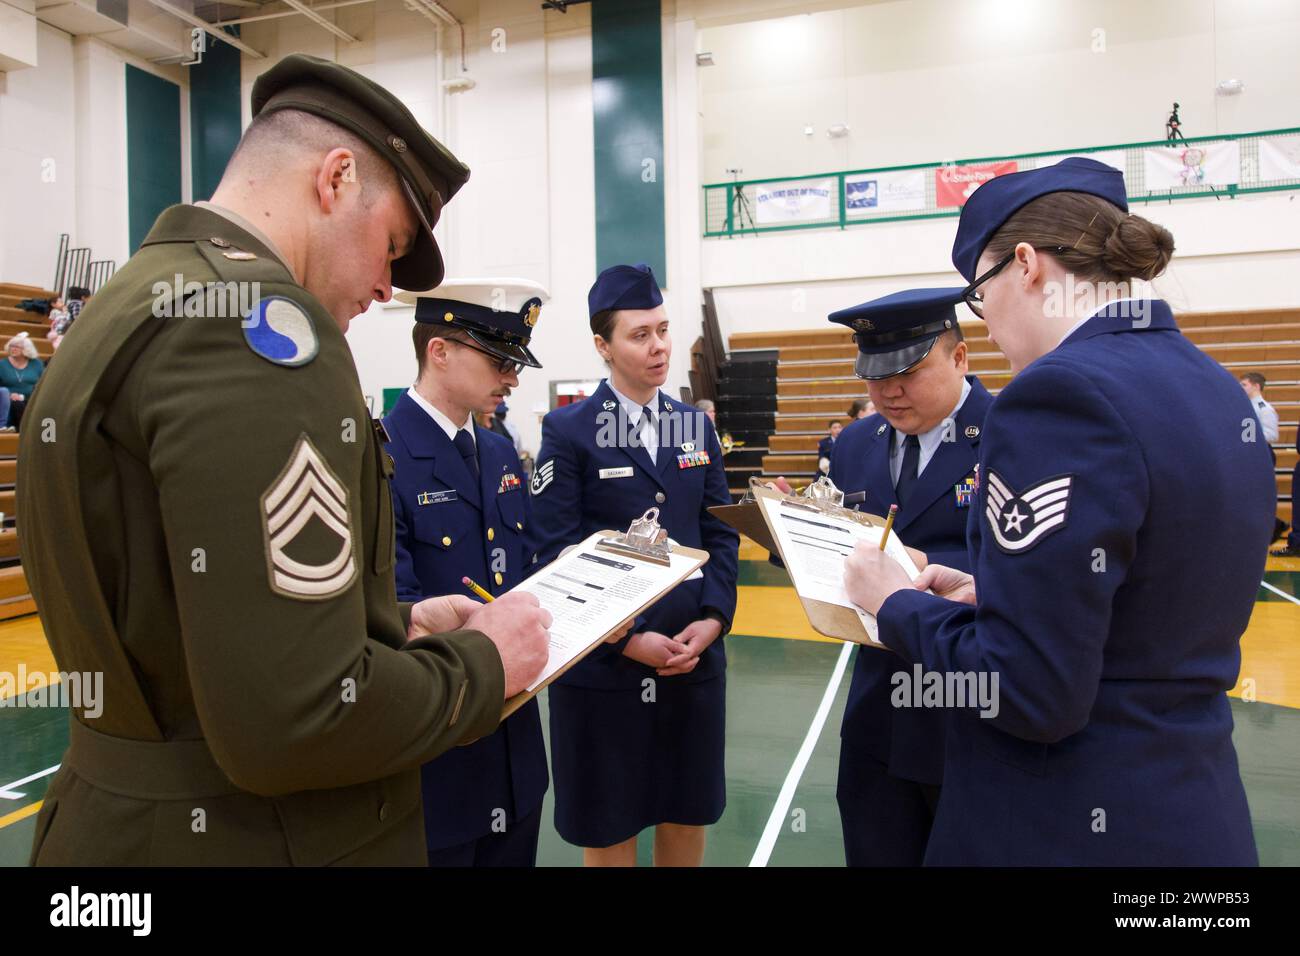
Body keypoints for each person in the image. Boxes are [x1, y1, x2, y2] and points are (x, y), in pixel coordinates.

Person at [19, 53, 551, 866]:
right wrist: (483, 664)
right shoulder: (257, 333)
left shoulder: (134, 302)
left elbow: (176, 611)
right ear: (335, 179)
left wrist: (396, 625)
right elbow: (296, 721)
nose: (384, 287)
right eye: (391, 243)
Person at [844, 157, 1274, 865]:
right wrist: (995, 597)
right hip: (1192, 809)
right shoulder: (1217, 390)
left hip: (1062, 820)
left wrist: (896, 604)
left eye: (981, 296)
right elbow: (1142, 602)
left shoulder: (1057, 398)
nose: (983, 326)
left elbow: (1028, 690)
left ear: (1026, 265)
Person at [527, 263, 739, 867]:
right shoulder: (569, 432)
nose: (659, 346)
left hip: (691, 660)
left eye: (664, 329)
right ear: (603, 345)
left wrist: (716, 617)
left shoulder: (695, 426)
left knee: (686, 811)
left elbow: (721, 534)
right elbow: (553, 556)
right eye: (639, 334)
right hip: (607, 672)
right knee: (610, 824)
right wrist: (626, 642)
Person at [383, 279, 551, 866]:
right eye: (500, 360)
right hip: (441, 757)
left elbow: (524, 566)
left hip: (516, 756)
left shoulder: (501, 452)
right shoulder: (383, 457)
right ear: (440, 351)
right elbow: (389, 610)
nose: (513, 377)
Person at [825, 287, 993, 866]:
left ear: (961, 357)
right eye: (875, 375)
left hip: (971, 716)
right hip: (876, 717)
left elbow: (1044, 571)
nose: (890, 391)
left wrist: (926, 572)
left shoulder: (1013, 435)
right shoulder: (854, 445)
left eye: (910, 371)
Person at [0, 333, 45, 432]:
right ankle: (23, 431)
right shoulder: (2, 364)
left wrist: (23, 397)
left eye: (17, 347)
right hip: (9, 401)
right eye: (11, 346)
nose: (13, 349)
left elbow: (43, 385)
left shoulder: (37, 364)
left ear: (26, 349)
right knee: (16, 404)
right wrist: (10, 395)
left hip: (30, 399)